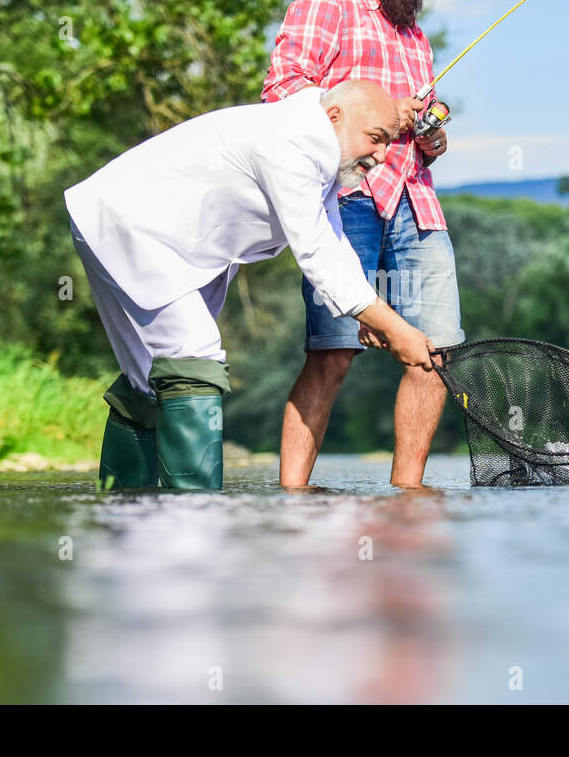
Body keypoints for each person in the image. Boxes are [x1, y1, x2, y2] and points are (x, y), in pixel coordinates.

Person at [65, 80, 436, 490]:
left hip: (139, 233)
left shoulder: (316, 151)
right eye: (376, 138)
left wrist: (370, 314)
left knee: (147, 386)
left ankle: (127, 517)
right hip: (132, 228)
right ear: (334, 117)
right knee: (194, 354)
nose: (383, 155)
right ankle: (195, 517)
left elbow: (334, 242)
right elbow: (315, 253)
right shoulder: (292, 145)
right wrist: (395, 327)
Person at [263, 0, 466, 489]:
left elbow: (423, 130)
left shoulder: (416, 39)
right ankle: (293, 497)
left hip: (417, 202)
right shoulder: (325, 6)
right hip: (345, 198)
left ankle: (409, 497)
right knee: (333, 352)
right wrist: (370, 107)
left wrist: (430, 129)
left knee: (434, 353)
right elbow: (282, 92)